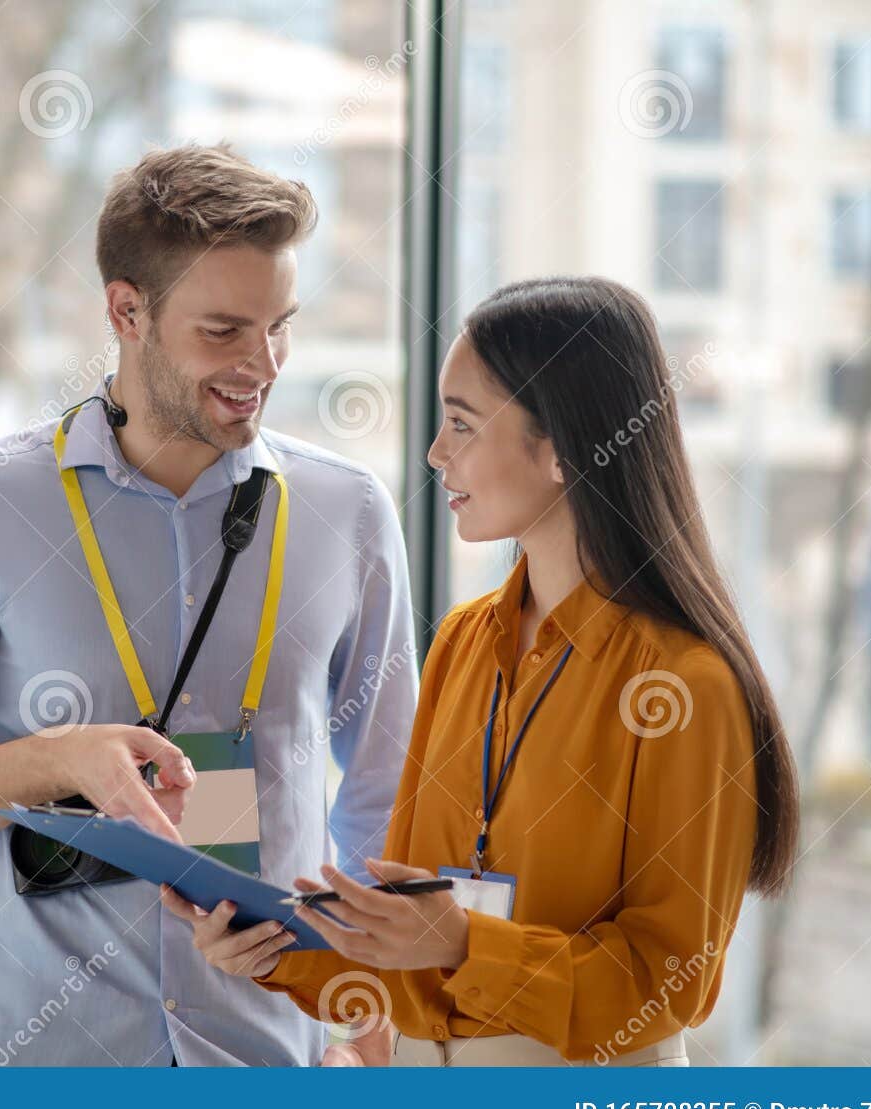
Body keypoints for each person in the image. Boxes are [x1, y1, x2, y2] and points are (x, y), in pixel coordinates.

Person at [0, 145, 418, 1066]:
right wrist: (53, 761)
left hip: (275, 1063)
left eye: (281, 327)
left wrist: (370, 1007)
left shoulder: (347, 511)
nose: (262, 365)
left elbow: (388, 808)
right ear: (127, 312)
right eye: (224, 330)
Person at [170, 275, 801, 1067]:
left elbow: (669, 982)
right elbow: (410, 945)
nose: (437, 452)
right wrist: (274, 946)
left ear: (562, 448)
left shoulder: (685, 685)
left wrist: (469, 944)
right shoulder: (465, 643)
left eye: (462, 424)